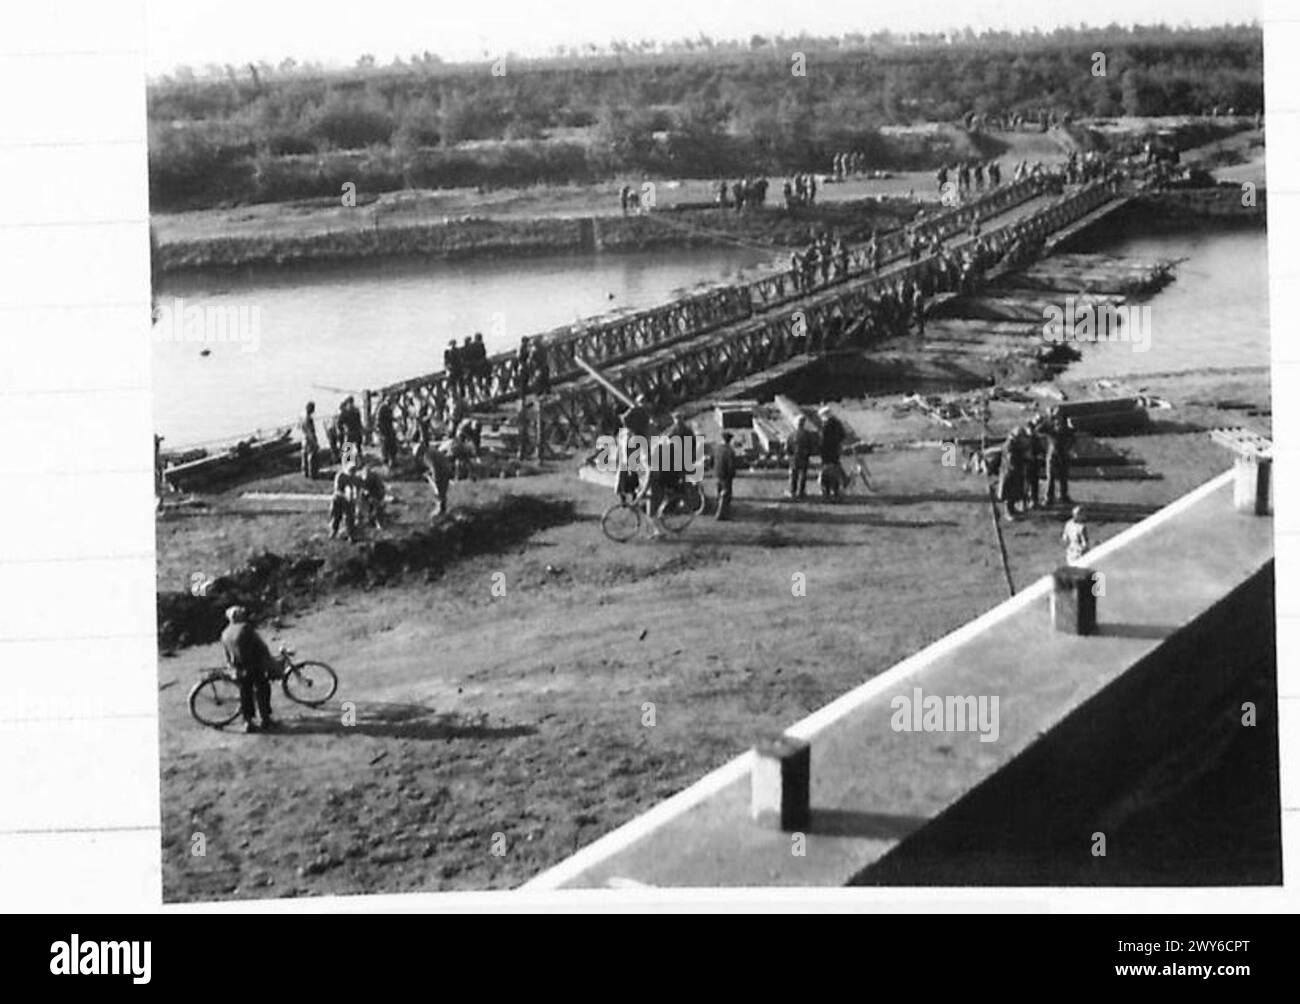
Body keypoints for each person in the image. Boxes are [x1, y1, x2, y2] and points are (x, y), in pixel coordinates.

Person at [220, 605, 276, 734]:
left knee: (245, 694)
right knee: (263, 689)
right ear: (240, 616)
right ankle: (265, 719)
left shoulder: (225, 633)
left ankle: (248, 722)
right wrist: (268, 661)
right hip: (253, 665)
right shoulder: (245, 628)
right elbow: (260, 646)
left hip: (238, 668)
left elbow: (226, 653)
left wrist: (231, 666)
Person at [1044, 411, 1075, 506]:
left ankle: (1063, 496)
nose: (1059, 424)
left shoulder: (1067, 431)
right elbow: (1039, 429)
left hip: (1063, 456)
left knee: (1063, 478)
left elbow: (1073, 439)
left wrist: (1069, 449)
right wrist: (1048, 419)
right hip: (1052, 457)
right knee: (1050, 479)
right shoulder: (1051, 430)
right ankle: (1049, 498)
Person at [998, 426, 1027, 522]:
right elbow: (1011, 460)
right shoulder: (1010, 445)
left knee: (1015, 493)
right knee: (1009, 494)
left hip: (1014, 472)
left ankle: (1013, 510)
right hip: (1010, 472)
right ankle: (1008, 513)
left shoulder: (1015, 443)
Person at [785, 415, 815, 500]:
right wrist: (808, 453)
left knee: (794, 475)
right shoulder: (808, 434)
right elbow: (811, 446)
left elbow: (787, 447)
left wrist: (790, 454)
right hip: (804, 457)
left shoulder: (792, 435)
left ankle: (792, 491)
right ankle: (801, 492)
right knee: (803, 475)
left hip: (794, 458)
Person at [329, 462, 358, 540]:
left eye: (354, 471)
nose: (352, 473)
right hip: (338, 499)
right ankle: (334, 531)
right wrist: (345, 495)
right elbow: (337, 489)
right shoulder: (340, 476)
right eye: (351, 471)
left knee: (349, 517)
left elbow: (356, 489)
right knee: (336, 516)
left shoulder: (355, 478)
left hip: (348, 501)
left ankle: (350, 535)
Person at [714, 431, 737, 520]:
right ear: (730, 440)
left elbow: (714, 461)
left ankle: (719, 511)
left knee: (719, 493)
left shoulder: (717, 448)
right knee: (726, 495)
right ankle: (722, 514)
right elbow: (731, 465)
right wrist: (732, 474)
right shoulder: (730, 451)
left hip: (718, 474)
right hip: (726, 475)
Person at [356, 465, 387, 530]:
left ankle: (379, 522)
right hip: (363, 495)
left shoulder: (376, 478)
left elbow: (381, 490)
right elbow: (358, 488)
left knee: (377, 507)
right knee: (359, 507)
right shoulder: (358, 477)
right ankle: (359, 521)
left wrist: (377, 498)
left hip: (375, 494)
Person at [374, 396, 398, 469]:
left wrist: (395, 420)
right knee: (385, 447)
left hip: (388, 431)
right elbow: (378, 421)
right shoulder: (383, 408)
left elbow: (389, 418)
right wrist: (380, 433)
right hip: (384, 431)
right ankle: (386, 464)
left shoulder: (387, 408)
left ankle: (391, 462)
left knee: (392, 447)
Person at [300, 402, 319, 480]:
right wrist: (315, 442)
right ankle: (312, 473)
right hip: (309, 439)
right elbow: (310, 431)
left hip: (304, 438)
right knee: (311, 456)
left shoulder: (302, 416)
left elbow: (300, 427)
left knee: (304, 455)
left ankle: (305, 472)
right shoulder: (309, 419)